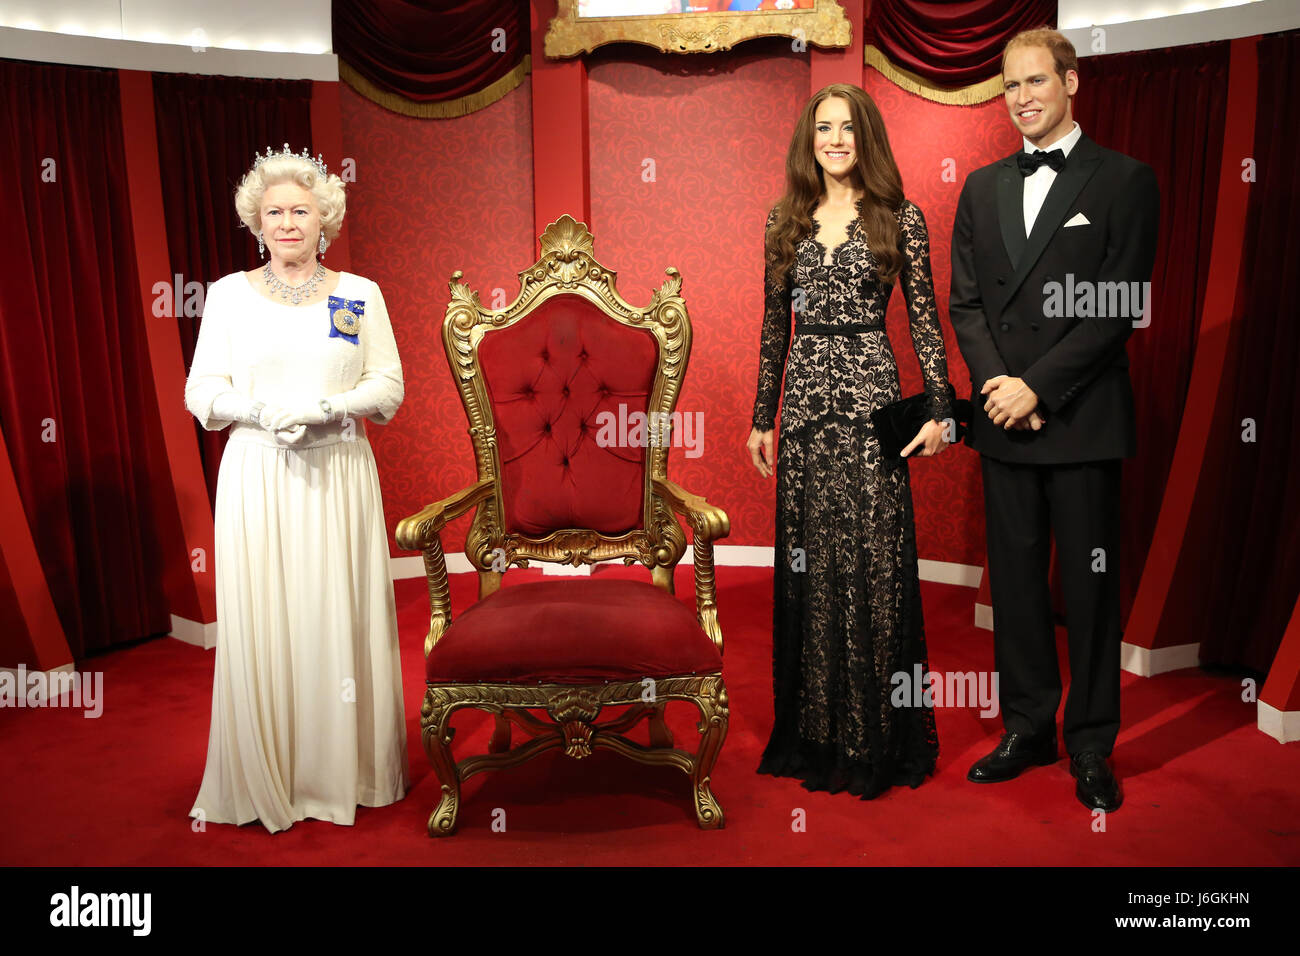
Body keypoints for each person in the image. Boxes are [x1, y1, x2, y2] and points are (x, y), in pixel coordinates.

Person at [949, 29, 1159, 812]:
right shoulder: (979, 186)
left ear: (1071, 82)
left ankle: (1092, 745)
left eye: (1036, 81)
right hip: (1003, 419)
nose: (1023, 98)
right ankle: (1027, 727)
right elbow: (967, 302)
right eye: (1010, 86)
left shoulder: (1126, 180)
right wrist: (996, 384)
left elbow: (1117, 307)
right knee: (1016, 588)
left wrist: (1036, 387)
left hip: (1081, 420)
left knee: (1090, 590)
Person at [184, 145, 409, 832]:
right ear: (257, 221)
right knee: (267, 619)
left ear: (324, 220)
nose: (287, 222)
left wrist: (323, 406)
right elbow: (202, 391)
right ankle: (271, 774)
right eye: (275, 211)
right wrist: (255, 412)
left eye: (300, 211)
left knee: (332, 612)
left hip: (338, 470)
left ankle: (345, 771)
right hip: (255, 472)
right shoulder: (225, 294)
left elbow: (389, 388)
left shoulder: (357, 293)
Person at [747, 83, 954, 799]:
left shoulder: (902, 218)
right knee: (813, 569)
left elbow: (926, 320)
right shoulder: (784, 221)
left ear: (867, 138)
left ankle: (874, 739)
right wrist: (759, 418)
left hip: (871, 404)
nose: (835, 140)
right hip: (803, 411)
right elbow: (776, 328)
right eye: (823, 128)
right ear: (809, 140)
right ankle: (815, 733)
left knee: (874, 566)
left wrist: (941, 407)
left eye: (848, 129)